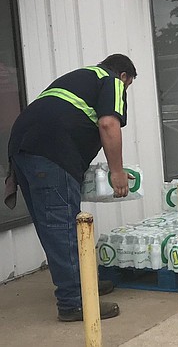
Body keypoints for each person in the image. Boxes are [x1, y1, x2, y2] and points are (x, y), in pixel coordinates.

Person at [6, 54, 137, 322]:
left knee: (53, 226)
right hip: (50, 153)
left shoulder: (80, 78)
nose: (124, 93)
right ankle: (75, 302)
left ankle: (82, 283)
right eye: (128, 86)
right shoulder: (111, 81)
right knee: (63, 228)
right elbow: (108, 123)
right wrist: (117, 172)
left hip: (23, 150)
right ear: (124, 76)